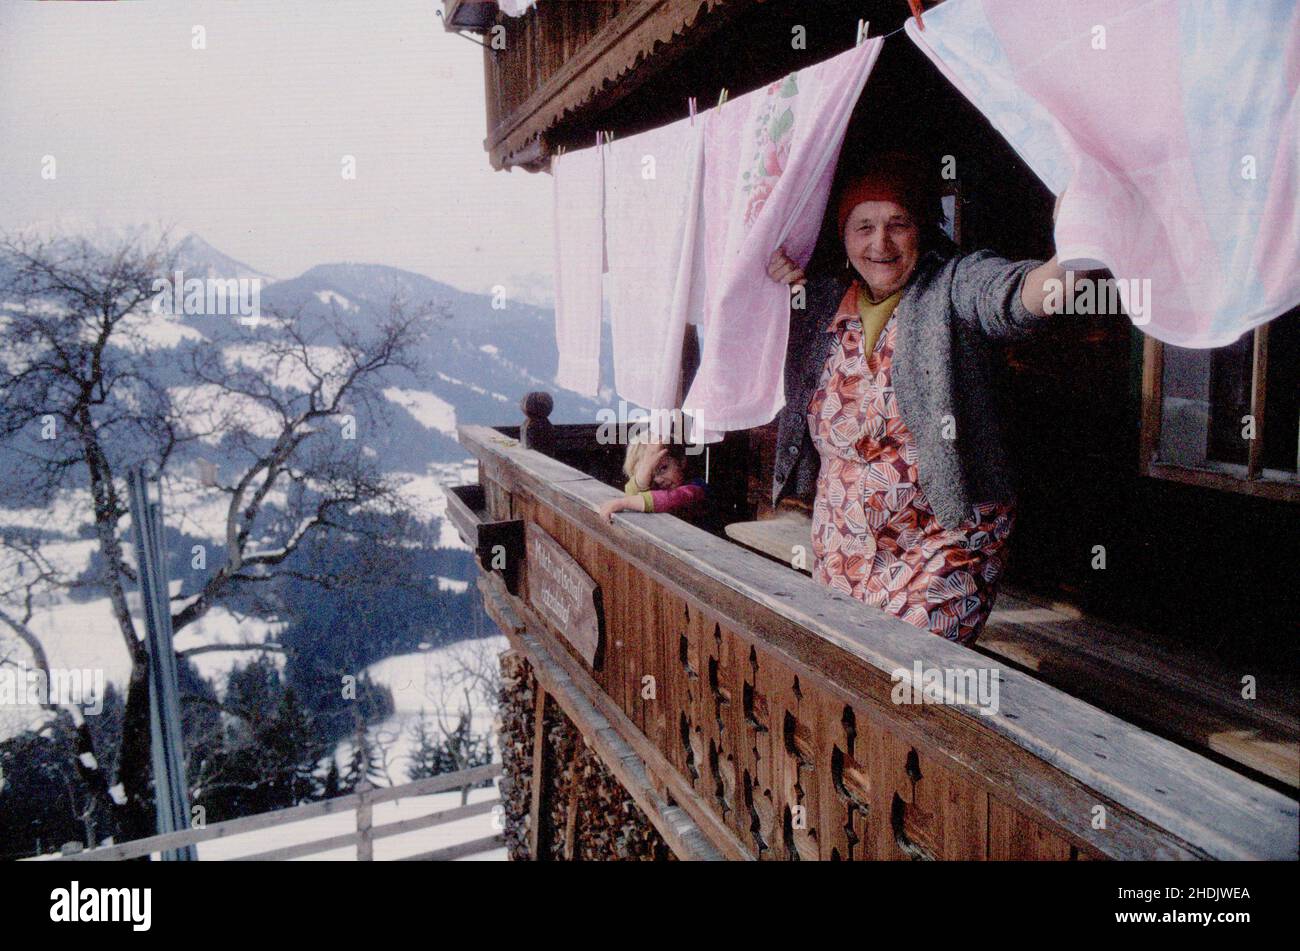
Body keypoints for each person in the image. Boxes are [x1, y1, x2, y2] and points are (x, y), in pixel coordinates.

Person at [767, 151, 1071, 645]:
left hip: (943, 542)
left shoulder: (950, 286)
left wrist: (1071, 259)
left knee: (908, 675)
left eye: (898, 223)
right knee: (849, 680)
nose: (880, 242)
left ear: (921, 231)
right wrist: (774, 276)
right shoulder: (822, 301)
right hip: (843, 545)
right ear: (844, 238)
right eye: (863, 226)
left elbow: (1012, 298)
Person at [599, 435, 709, 524]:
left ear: (681, 461)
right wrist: (641, 480)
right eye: (650, 474)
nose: (658, 479)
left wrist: (623, 503)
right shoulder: (653, 489)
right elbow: (632, 495)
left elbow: (668, 499)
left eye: (663, 468)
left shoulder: (694, 489)